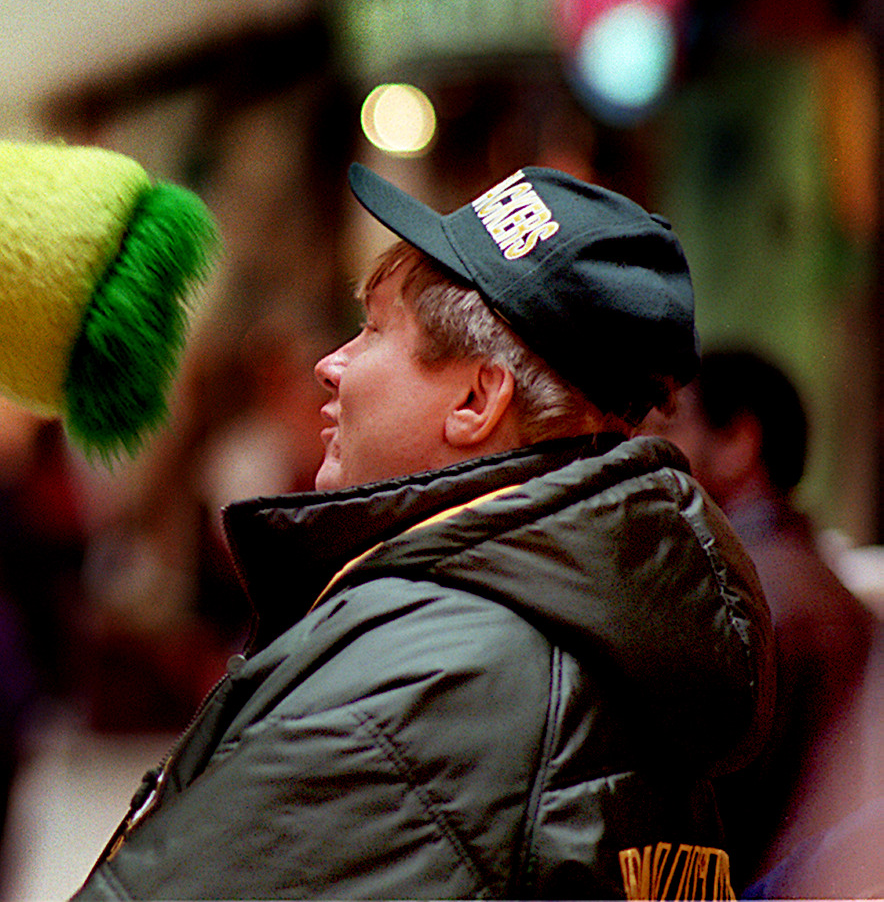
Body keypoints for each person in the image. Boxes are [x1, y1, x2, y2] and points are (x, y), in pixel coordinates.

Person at [71, 163, 774, 901]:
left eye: (374, 330)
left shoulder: (436, 673)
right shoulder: (585, 624)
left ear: (476, 398)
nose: (330, 363)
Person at [649, 349, 876, 886]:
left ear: (737, 443)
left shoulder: (755, 601)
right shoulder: (797, 579)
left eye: (670, 426)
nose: (641, 449)